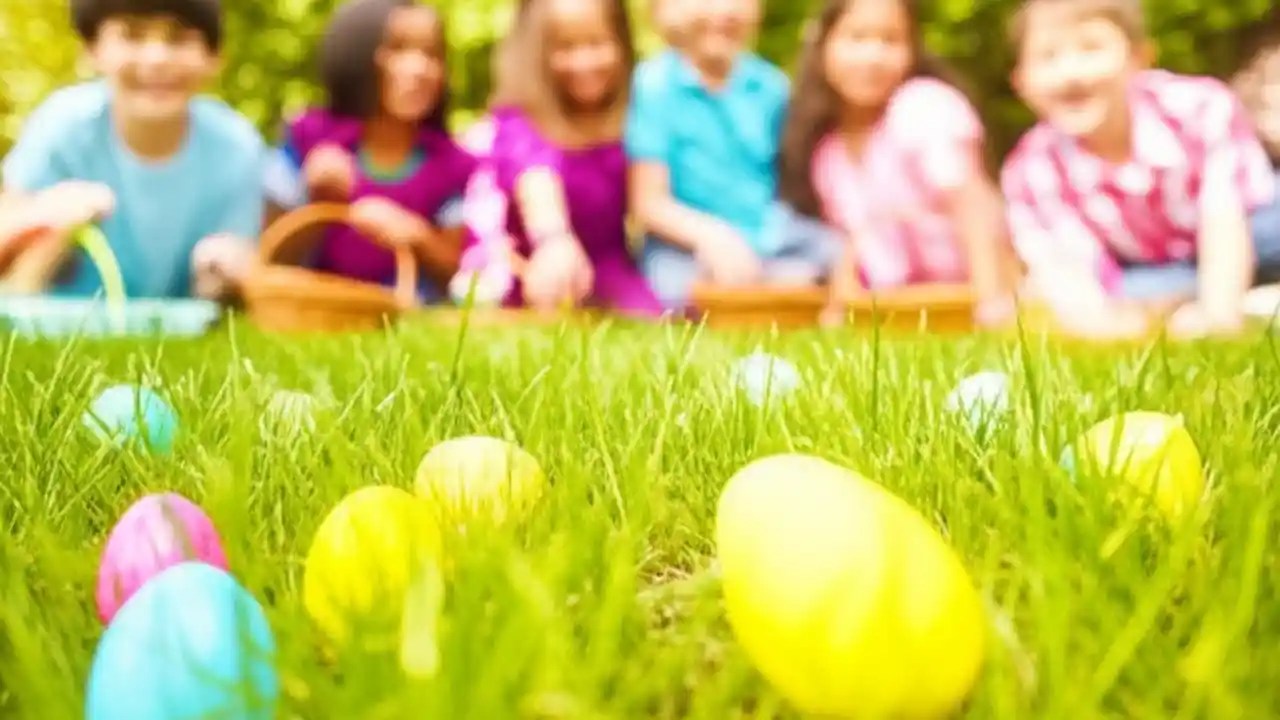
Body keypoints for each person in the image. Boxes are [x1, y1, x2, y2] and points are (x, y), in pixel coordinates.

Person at [1001, 0, 1278, 339]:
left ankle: (1233, 300)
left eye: (1091, 47)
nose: (1070, 72)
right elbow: (1070, 276)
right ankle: (1251, 303)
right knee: (1127, 291)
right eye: (1048, 56)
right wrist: (1110, 327)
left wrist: (1218, 314)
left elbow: (1223, 218)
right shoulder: (1031, 170)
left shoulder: (1197, 108)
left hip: (1252, 227)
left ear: (1138, 58)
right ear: (1021, 82)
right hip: (1158, 268)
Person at [0, 0, 263, 300]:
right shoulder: (62, 125)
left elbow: (242, 263)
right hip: (58, 324)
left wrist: (225, 269)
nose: (157, 58)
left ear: (214, 56)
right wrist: (45, 214)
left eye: (178, 39)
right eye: (132, 35)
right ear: (92, 50)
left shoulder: (236, 147)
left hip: (176, 330)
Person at [777, 0, 1012, 327]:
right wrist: (837, 311)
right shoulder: (825, 150)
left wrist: (991, 300)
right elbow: (851, 243)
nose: (872, 57)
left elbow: (972, 203)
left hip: (960, 302)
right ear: (823, 46)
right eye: (856, 38)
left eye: (891, 40)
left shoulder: (922, 106)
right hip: (897, 310)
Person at [454, 0, 662, 316]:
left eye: (597, 43)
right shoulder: (518, 120)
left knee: (651, 318)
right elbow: (535, 174)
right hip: (532, 270)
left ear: (621, 43)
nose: (583, 61)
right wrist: (554, 240)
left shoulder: (637, 113)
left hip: (611, 269)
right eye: (565, 47)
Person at [263, 0, 474, 299]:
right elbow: (269, 259)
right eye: (398, 50)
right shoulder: (310, 139)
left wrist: (417, 236)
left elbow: (459, 272)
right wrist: (315, 199)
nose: (419, 69)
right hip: (314, 304)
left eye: (432, 54)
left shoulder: (450, 164)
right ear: (357, 53)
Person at [626, 0, 819, 311]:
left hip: (768, 235)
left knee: (834, 255)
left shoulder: (771, 87)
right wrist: (713, 238)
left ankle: (771, 290)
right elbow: (649, 203)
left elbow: (787, 186)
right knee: (674, 292)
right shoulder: (654, 84)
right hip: (684, 245)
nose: (726, 10)